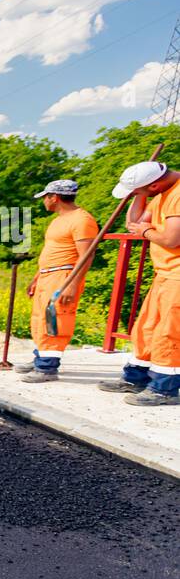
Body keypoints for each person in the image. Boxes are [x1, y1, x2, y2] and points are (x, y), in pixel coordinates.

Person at [98, 161, 180, 406]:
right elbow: (133, 224)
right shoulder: (162, 193)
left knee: (170, 332)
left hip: (177, 275)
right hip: (165, 273)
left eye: (139, 191)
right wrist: (138, 195)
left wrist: (146, 232)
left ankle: (165, 389)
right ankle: (137, 378)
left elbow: (172, 238)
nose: (136, 196)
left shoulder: (177, 195)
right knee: (146, 327)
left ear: (154, 183)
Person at [16, 179, 98, 383]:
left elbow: (86, 256)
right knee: (40, 319)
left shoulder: (82, 220)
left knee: (55, 319)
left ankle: (47, 368)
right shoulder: (58, 219)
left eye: (45, 197)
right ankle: (40, 358)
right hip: (47, 275)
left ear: (55, 197)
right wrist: (37, 277)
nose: (44, 201)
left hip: (64, 276)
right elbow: (51, 250)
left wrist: (71, 284)